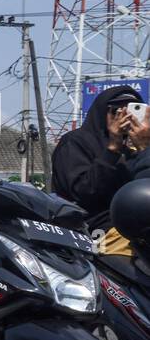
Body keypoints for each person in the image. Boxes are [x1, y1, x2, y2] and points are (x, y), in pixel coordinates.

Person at [52, 83, 142, 242]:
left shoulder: (135, 149)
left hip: (135, 228)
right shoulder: (74, 142)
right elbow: (83, 192)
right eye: (116, 112)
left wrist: (143, 147)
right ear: (101, 112)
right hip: (93, 231)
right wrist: (112, 148)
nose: (124, 119)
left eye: (132, 112)